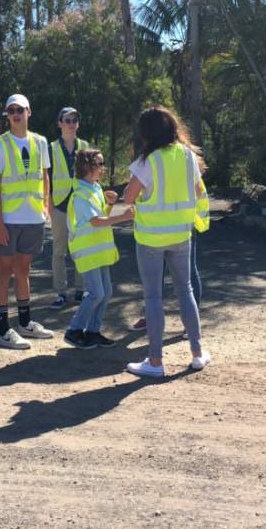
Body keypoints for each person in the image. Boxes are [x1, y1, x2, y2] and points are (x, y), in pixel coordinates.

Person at [123, 106, 211, 377]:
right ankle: (197, 353)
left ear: (147, 134)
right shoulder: (187, 156)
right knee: (185, 291)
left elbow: (129, 197)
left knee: (153, 296)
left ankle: (155, 362)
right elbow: (198, 190)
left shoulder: (147, 161)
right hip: (181, 235)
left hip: (151, 237)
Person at [0, 93, 55, 349]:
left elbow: (44, 175)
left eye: (20, 109)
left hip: (32, 217)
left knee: (24, 269)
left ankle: (25, 322)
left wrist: (45, 204)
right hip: (9, 219)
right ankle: (3, 329)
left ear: (29, 111)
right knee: (5, 269)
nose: (15, 114)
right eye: (11, 110)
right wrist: (0, 223)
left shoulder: (40, 142)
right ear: (7, 115)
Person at [63, 148, 133, 349]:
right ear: (87, 166)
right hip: (87, 252)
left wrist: (110, 205)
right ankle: (74, 330)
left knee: (106, 292)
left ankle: (92, 332)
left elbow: (100, 216)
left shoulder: (94, 188)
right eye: (100, 164)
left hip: (98, 250)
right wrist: (122, 217)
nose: (103, 168)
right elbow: (94, 222)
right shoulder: (80, 194)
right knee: (96, 293)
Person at [49, 107, 88, 310]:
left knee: (80, 249)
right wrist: (48, 206)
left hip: (80, 206)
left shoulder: (85, 147)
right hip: (59, 206)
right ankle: (60, 293)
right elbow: (46, 178)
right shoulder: (51, 148)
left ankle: (80, 291)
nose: (72, 123)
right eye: (67, 120)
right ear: (60, 123)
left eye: (74, 119)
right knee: (59, 251)